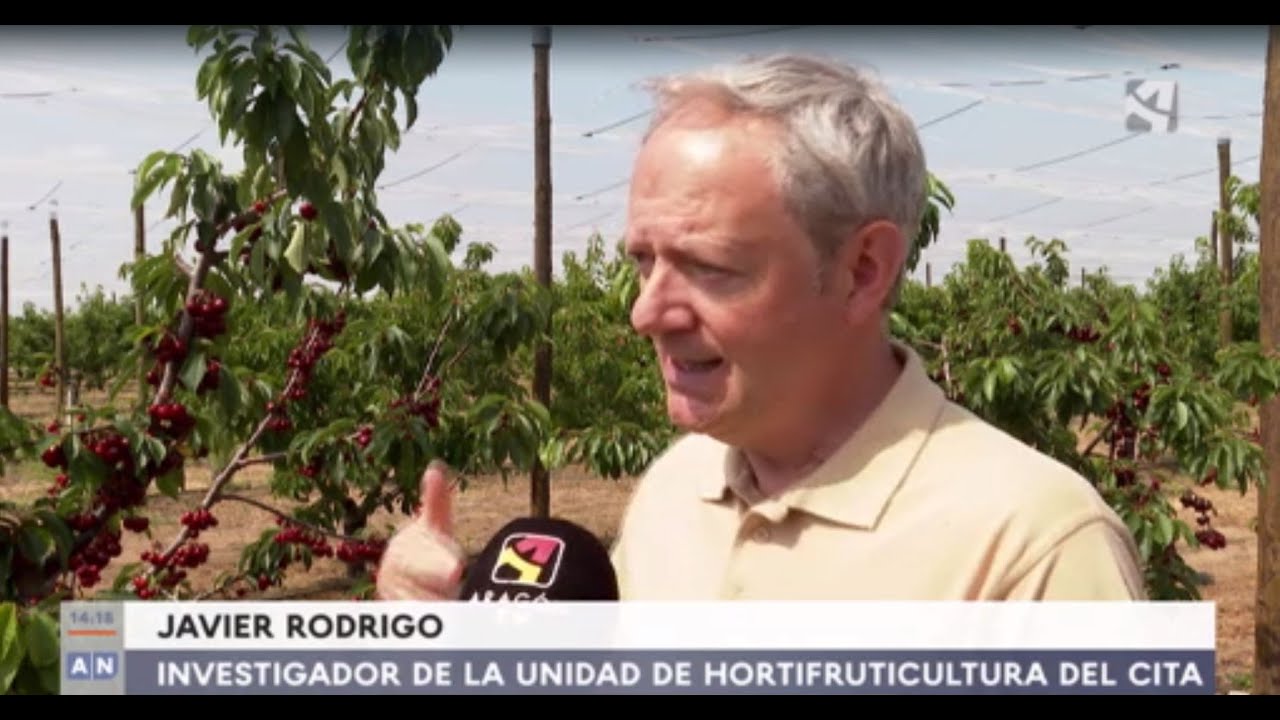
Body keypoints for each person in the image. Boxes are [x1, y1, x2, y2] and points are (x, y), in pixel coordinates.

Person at [375, 52, 1147, 603]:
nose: (646, 312)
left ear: (863, 271)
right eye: (644, 261)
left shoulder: (1033, 546)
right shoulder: (678, 487)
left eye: (710, 267)